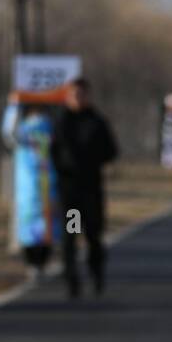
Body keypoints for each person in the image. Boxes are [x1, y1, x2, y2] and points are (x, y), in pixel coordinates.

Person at [51, 77, 119, 300]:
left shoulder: (97, 121)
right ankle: (72, 280)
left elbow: (111, 151)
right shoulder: (61, 122)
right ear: (68, 96)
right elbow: (52, 152)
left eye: (82, 94)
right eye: (74, 94)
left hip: (91, 189)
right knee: (70, 237)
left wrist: (92, 159)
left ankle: (96, 275)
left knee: (93, 236)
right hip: (70, 191)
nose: (78, 99)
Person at [1, 95, 61, 282]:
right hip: (33, 187)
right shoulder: (27, 130)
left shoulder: (50, 129)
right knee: (36, 227)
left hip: (42, 186)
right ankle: (38, 263)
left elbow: (8, 132)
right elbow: (9, 134)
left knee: (43, 226)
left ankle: (39, 263)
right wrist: (13, 105)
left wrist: (13, 107)